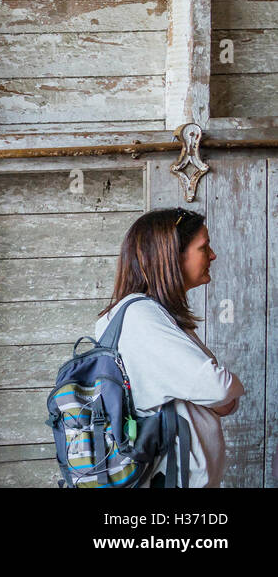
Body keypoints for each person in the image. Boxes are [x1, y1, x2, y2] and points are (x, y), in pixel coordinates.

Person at [95, 207, 243, 487]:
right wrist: (223, 396)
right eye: (204, 247)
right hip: (169, 478)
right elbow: (219, 389)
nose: (212, 256)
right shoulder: (142, 318)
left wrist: (219, 399)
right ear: (172, 257)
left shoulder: (140, 314)